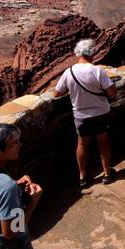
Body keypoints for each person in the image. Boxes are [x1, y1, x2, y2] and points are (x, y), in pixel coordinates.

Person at [49, 38, 119, 189]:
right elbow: (112, 92)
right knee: (103, 141)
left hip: (81, 115)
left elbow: (55, 94)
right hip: (101, 112)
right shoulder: (97, 71)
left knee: (82, 143)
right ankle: (107, 174)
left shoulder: (69, 72)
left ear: (78, 53)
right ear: (92, 53)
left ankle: (83, 177)